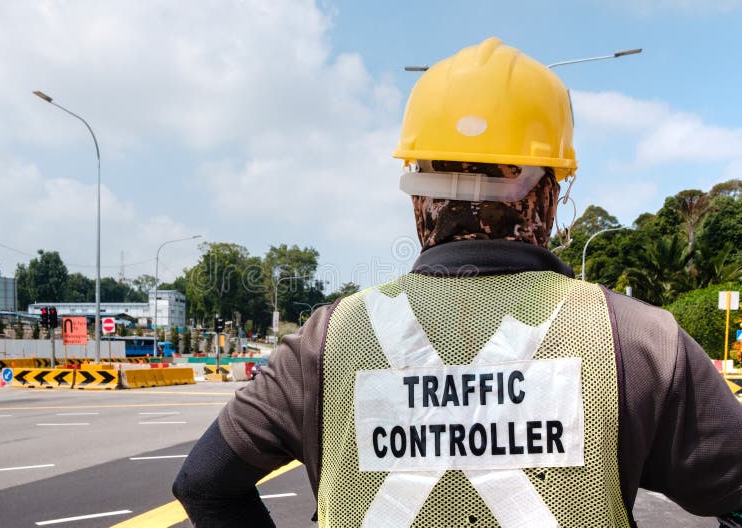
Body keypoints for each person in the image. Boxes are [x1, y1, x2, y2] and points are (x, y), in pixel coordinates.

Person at [173, 37, 742, 527]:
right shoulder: (639, 341)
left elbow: (204, 483)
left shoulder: (326, 342)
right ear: (550, 195)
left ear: (418, 197)